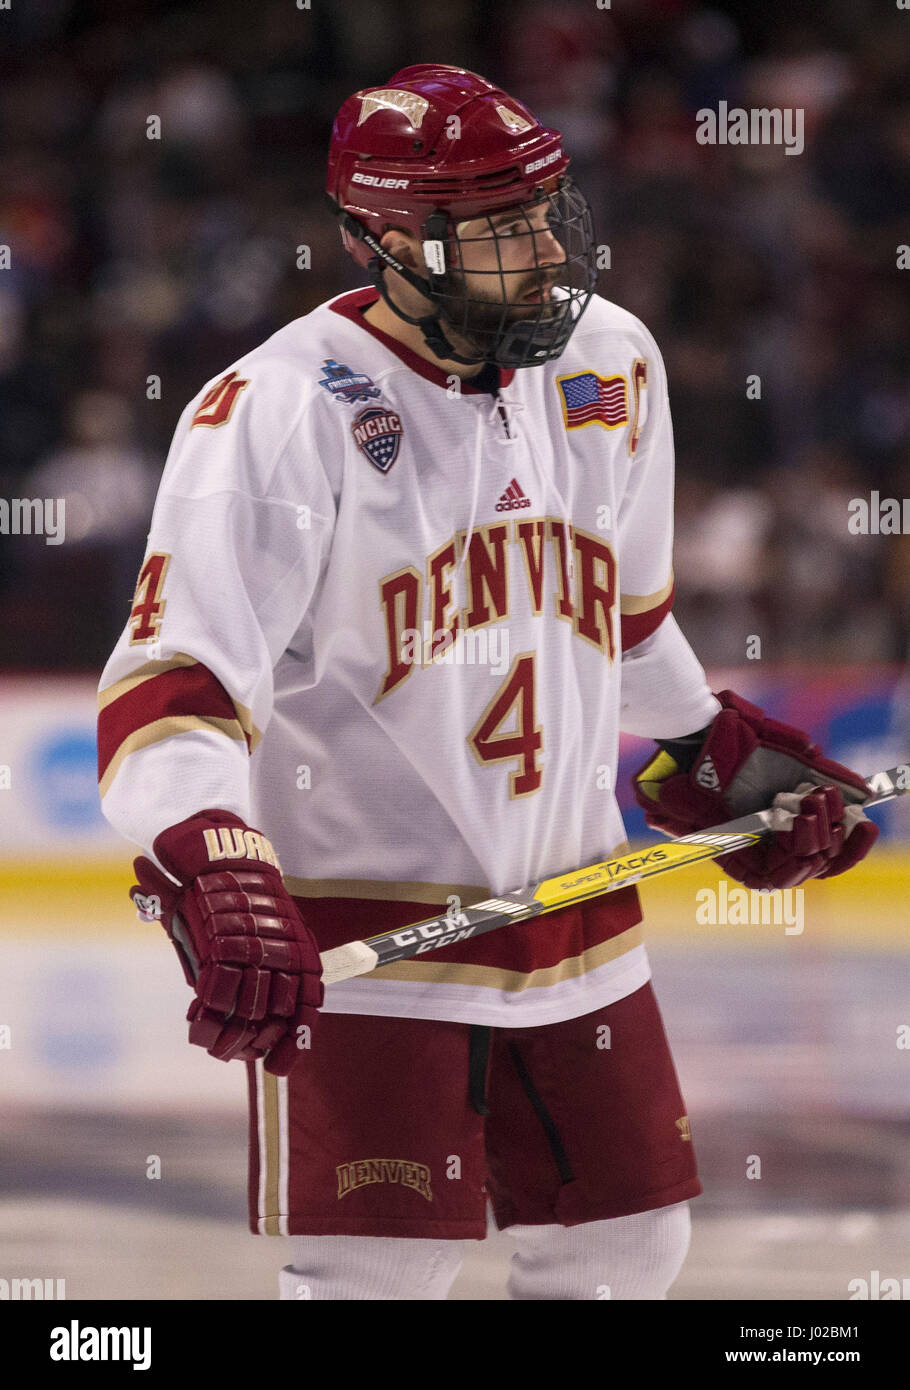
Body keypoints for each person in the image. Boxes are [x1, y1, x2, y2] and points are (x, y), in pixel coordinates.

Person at [97, 65, 878, 1300]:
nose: (544, 251)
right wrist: (214, 857)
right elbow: (174, 681)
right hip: (372, 912)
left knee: (624, 1246)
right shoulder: (274, 412)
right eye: (501, 226)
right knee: (377, 1269)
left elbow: (619, 622)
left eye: (545, 212)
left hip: (574, 908)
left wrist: (708, 745)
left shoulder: (612, 360)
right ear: (392, 240)